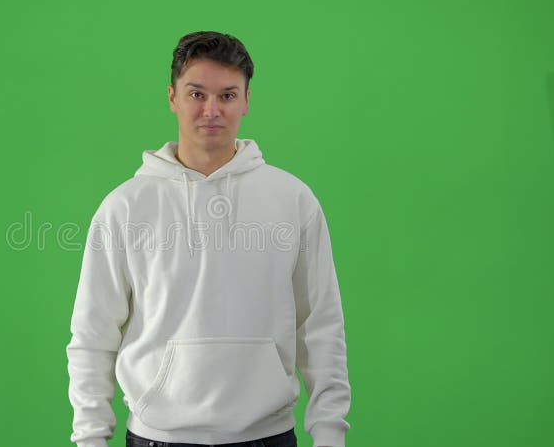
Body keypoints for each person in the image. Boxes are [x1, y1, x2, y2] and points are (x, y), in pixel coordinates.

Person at [66, 31, 351, 447]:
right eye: (196, 94)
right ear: (172, 97)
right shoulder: (125, 206)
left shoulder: (292, 200)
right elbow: (93, 333)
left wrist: (329, 434)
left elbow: (321, 325)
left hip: (267, 436)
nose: (211, 110)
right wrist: (90, 438)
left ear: (247, 100)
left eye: (227, 95)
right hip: (156, 438)